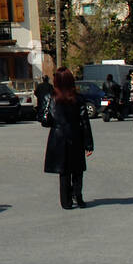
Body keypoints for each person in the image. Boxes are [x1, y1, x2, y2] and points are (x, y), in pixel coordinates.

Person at [42, 67, 94, 209]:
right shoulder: (78, 99)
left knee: (63, 171)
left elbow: (45, 121)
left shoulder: (51, 98)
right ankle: (78, 197)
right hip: (75, 136)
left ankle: (66, 201)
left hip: (58, 138)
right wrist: (89, 144)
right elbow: (84, 122)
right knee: (77, 170)